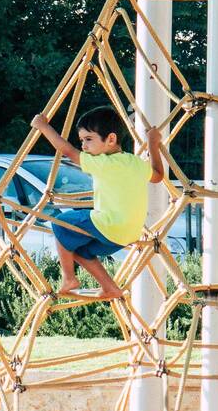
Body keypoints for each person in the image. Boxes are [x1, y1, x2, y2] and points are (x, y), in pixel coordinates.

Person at [30, 104, 165, 299]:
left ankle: (69, 278)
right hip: (127, 234)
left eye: (88, 139)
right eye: (82, 140)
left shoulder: (102, 163)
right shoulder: (135, 163)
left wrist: (43, 127)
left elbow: (67, 151)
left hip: (109, 226)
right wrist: (152, 143)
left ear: (111, 139)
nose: (84, 146)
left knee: (60, 224)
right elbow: (158, 175)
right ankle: (110, 287)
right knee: (79, 250)